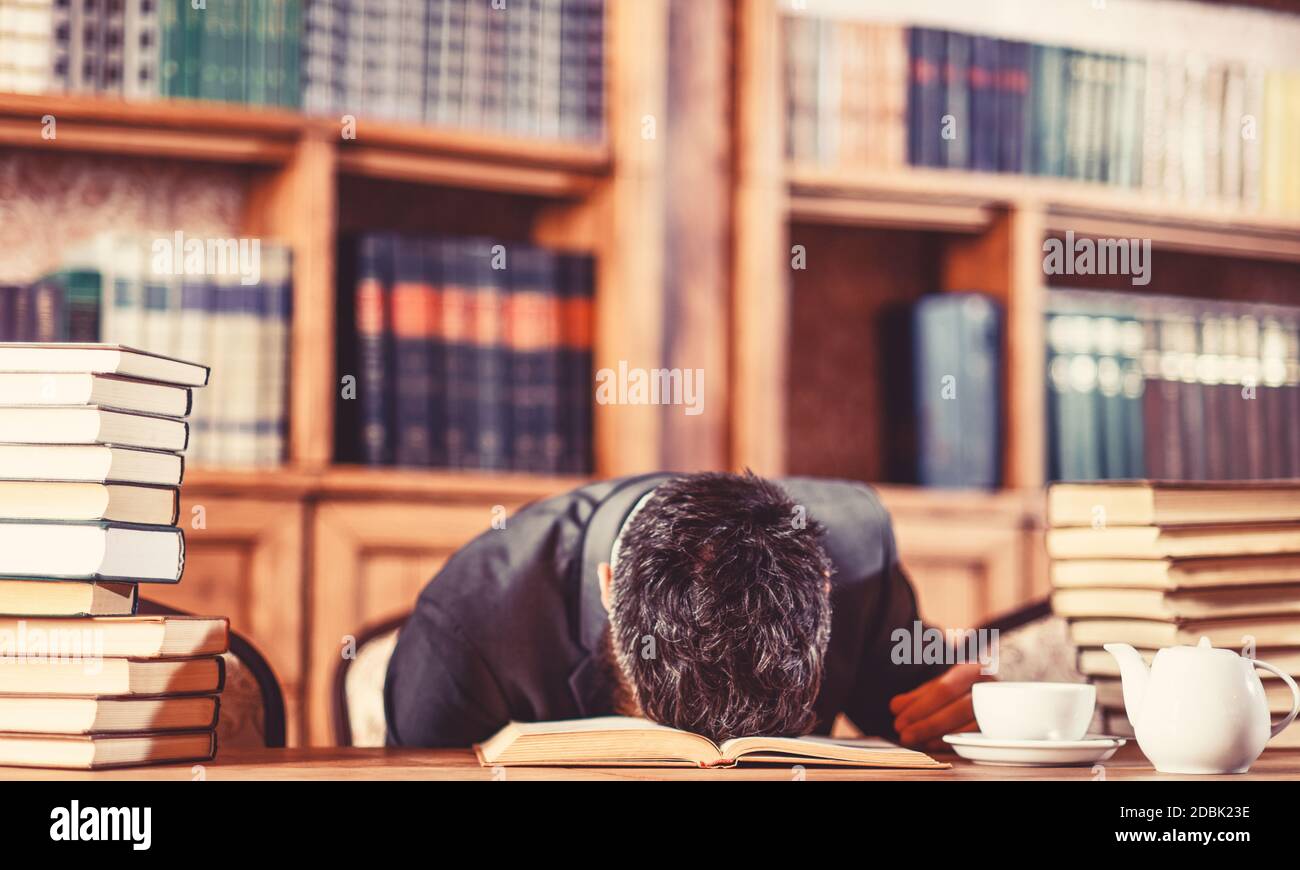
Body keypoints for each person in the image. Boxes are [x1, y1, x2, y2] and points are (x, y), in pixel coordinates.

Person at [385, 470, 985, 748]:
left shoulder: (857, 559)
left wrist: (982, 719)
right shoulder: (465, 630)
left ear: (823, 590)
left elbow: (929, 710)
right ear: (609, 591)